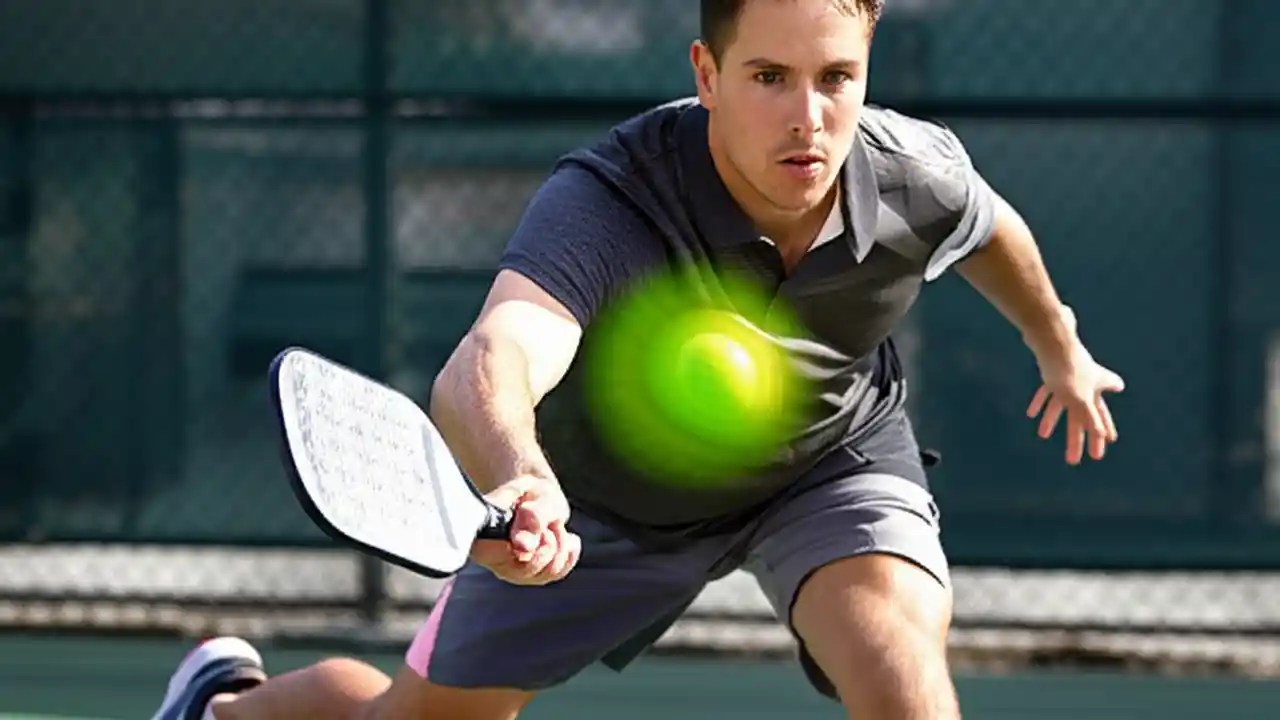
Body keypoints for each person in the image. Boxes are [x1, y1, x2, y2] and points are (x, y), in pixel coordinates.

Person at [151, 1, 1125, 718]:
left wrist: (1058, 343)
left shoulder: (910, 169)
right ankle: (228, 704)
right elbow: (488, 361)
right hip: (602, 496)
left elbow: (988, 228)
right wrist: (522, 483)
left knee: (902, 678)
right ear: (705, 74)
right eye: (767, 77)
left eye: (835, 78)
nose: (808, 119)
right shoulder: (613, 198)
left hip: (825, 461)